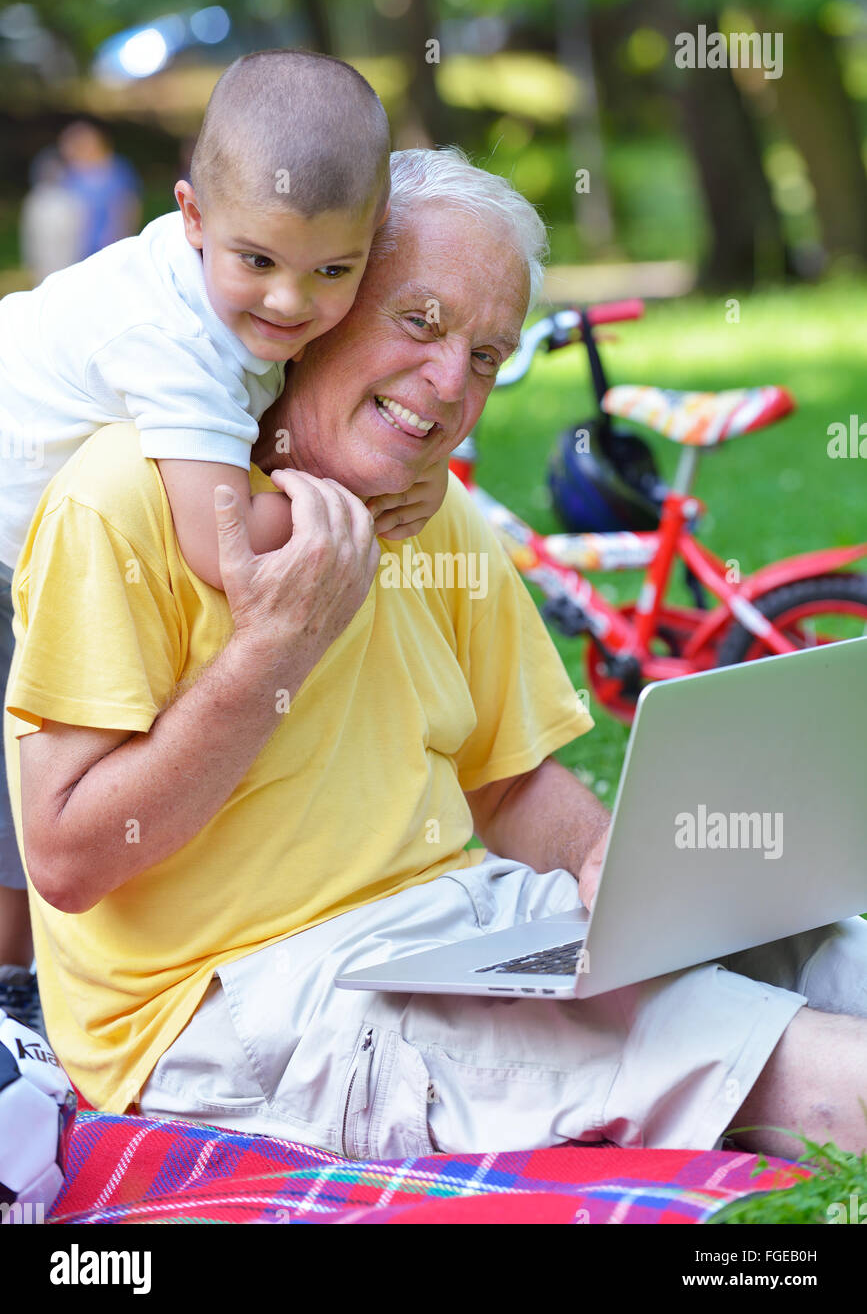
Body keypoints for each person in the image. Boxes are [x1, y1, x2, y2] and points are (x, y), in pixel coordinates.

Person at [5, 148, 867, 1161]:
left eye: (489, 354)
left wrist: (608, 867)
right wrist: (280, 644)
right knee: (756, 1056)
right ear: (323, 303)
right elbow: (64, 857)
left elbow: (507, 785)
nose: (451, 383)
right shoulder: (128, 495)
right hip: (241, 1004)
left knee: (824, 937)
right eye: (419, 322)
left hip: (465, 928)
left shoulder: (434, 505)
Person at [0, 50, 450, 1031]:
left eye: (333, 271)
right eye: (258, 263)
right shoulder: (168, 337)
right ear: (191, 216)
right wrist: (349, 510)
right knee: (27, 772)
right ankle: (15, 991)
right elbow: (221, 545)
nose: (290, 304)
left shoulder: (239, 291)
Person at [56, 120, 141, 259]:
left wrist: (116, 241)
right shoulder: (70, 175)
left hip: (107, 247)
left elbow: (126, 209)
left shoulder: (117, 171)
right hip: (76, 251)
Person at [18, 147, 86, 286]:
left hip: (69, 258)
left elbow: (80, 231)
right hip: (43, 259)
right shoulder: (35, 200)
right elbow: (29, 234)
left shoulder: (72, 197)